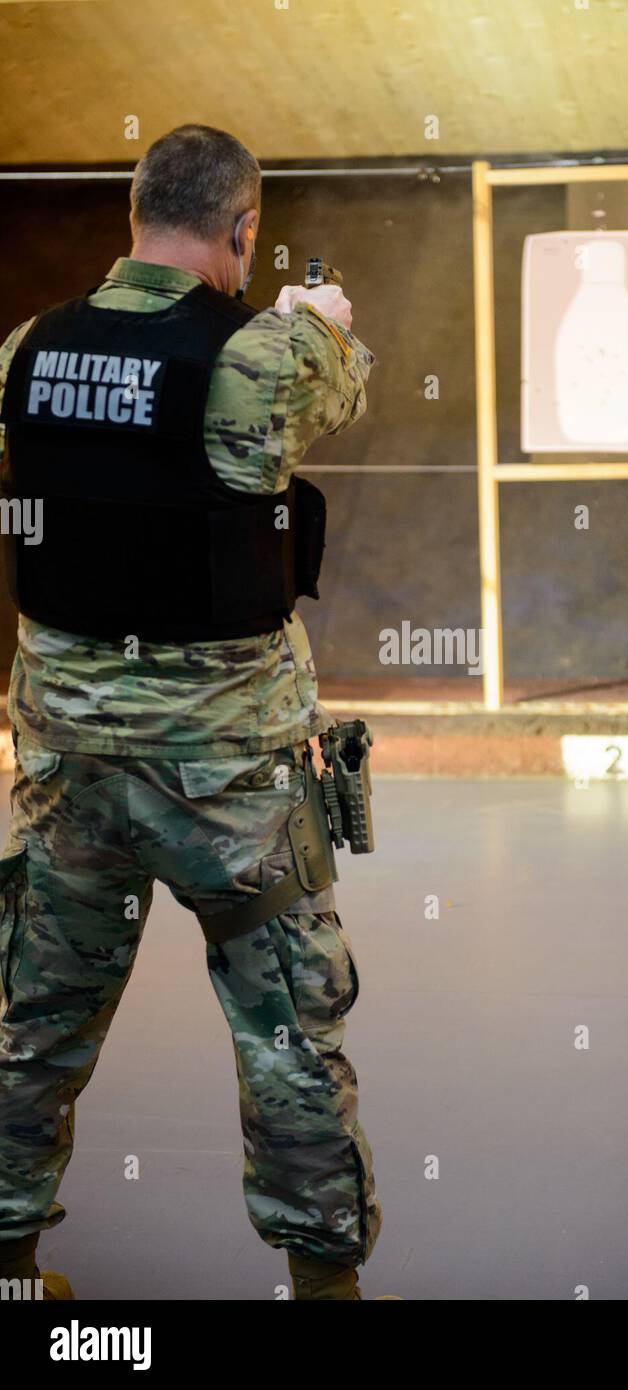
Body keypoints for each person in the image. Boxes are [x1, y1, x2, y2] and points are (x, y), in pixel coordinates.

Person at [0, 124, 385, 1302]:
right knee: (289, 1032)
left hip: (65, 759)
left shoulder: (23, 350)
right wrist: (319, 313)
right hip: (228, 775)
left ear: (131, 215)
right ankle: (324, 1288)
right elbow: (343, 386)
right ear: (243, 228)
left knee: (34, 1023)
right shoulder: (266, 355)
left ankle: (9, 1264)